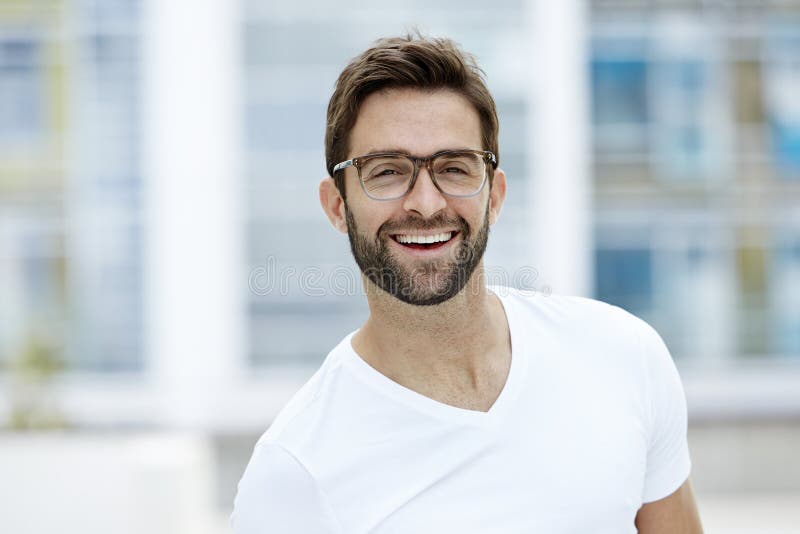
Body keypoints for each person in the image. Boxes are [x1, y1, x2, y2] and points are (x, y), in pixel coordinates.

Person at [233, 34, 703, 533]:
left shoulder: (623, 356)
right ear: (336, 205)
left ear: (494, 196)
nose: (426, 204)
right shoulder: (294, 474)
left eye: (454, 168)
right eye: (387, 172)